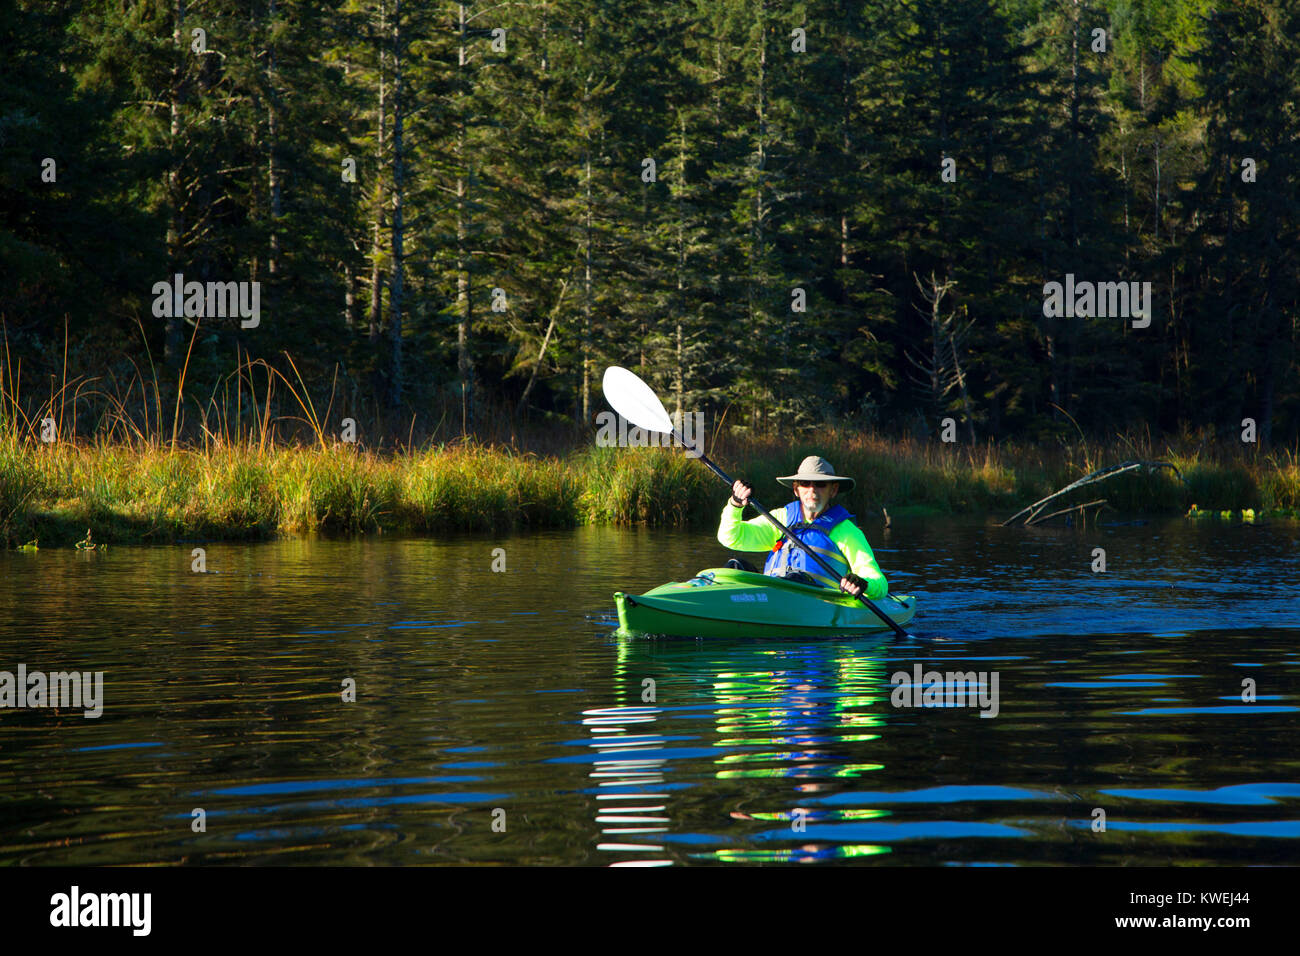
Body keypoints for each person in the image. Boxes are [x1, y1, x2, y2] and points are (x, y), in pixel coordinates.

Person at [718, 455, 888, 600]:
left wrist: (863, 584)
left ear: (833, 490)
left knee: (795, 579)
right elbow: (731, 537)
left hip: (818, 603)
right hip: (771, 597)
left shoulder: (846, 531)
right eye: (805, 483)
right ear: (796, 489)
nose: (812, 490)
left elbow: (878, 582)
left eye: (820, 484)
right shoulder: (781, 518)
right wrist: (735, 505)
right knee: (735, 565)